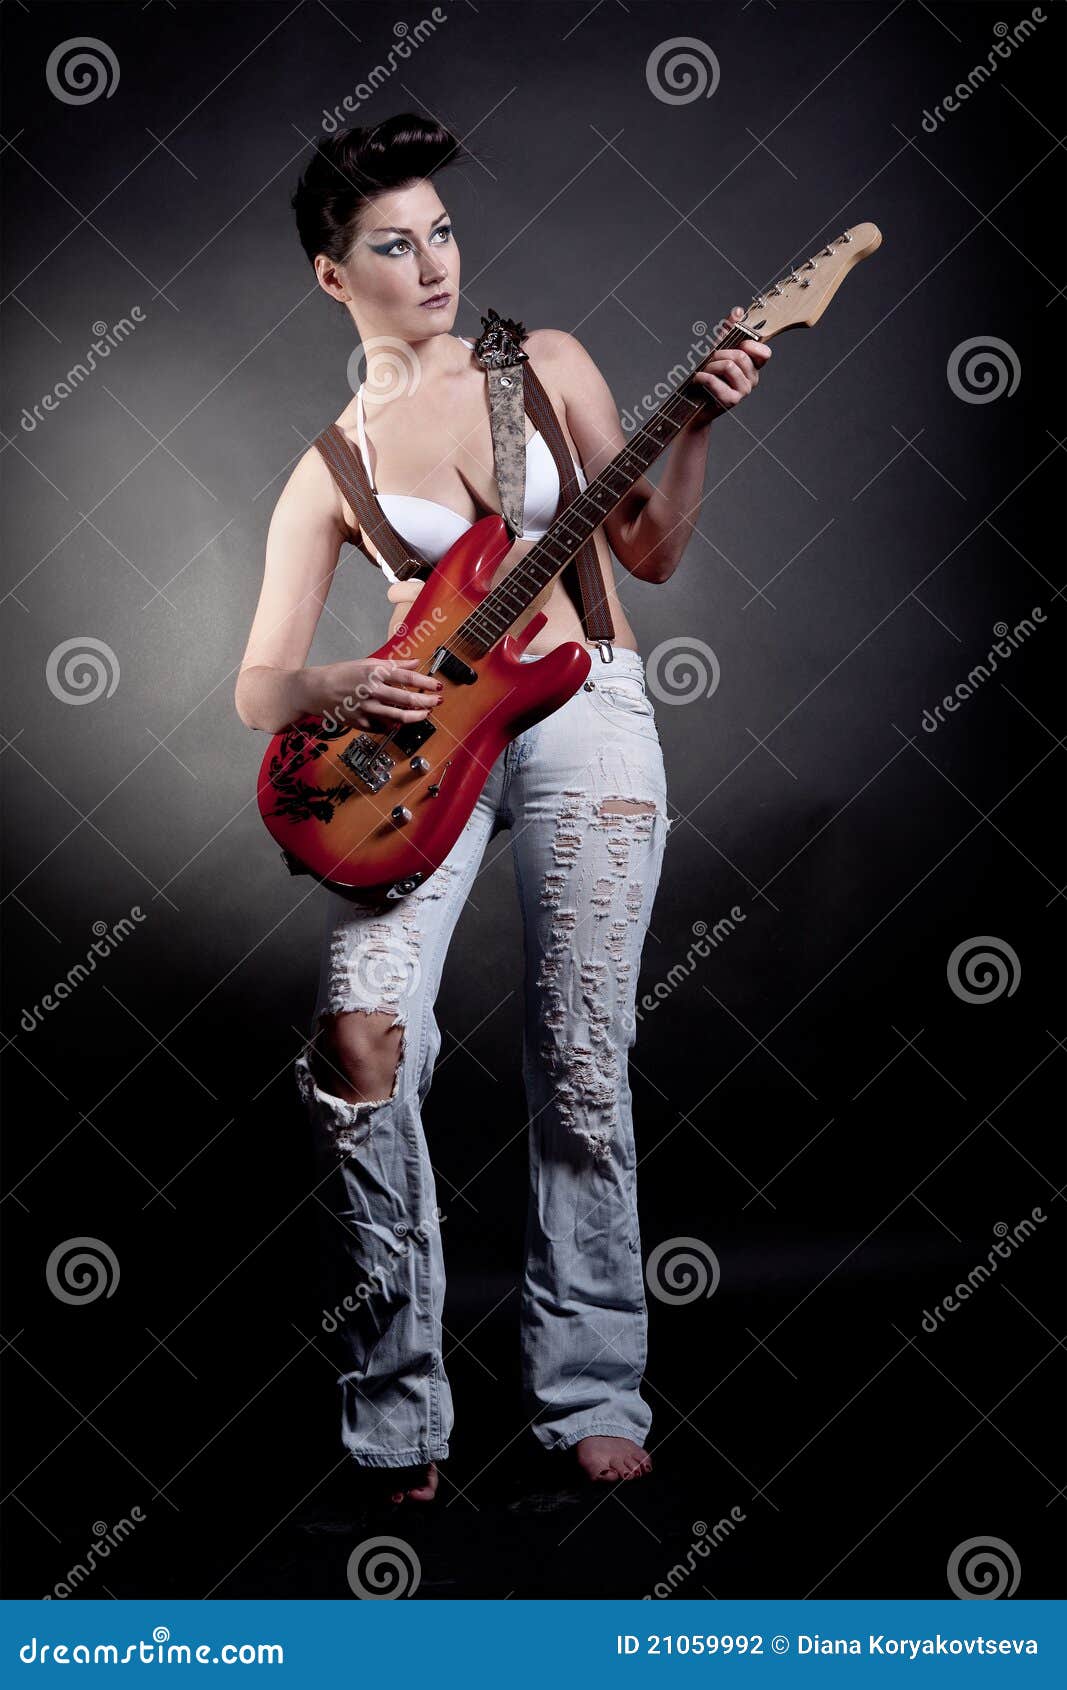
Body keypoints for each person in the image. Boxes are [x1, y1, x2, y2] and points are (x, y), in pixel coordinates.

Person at [235, 114, 769, 1506]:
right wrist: (352, 675)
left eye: (443, 234)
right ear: (330, 275)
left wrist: (696, 420)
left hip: (586, 701)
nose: (432, 263)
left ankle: (590, 1382)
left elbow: (644, 549)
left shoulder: (551, 365)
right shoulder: (331, 466)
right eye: (392, 244)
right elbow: (257, 689)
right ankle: (398, 1404)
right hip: (418, 751)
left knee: (582, 1054)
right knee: (360, 1041)